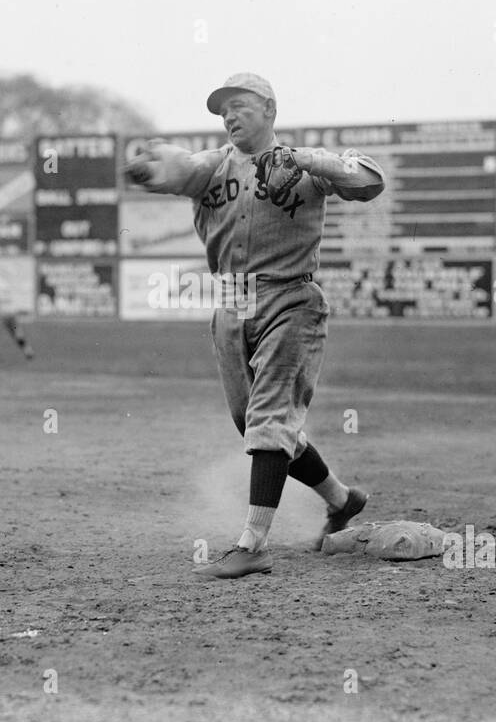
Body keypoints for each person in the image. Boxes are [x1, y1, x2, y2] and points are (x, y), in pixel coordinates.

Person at [122, 73, 386, 578]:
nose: (229, 116)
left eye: (239, 105)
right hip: (230, 307)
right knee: (255, 424)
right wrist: (161, 166)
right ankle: (341, 498)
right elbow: (182, 168)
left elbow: (371, 179)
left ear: (269, 108)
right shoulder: (214, 168)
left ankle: (251, 545)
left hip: (290, 300)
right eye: (223, 111)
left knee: (268, 420)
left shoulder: (307, 167)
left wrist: (305, 160)